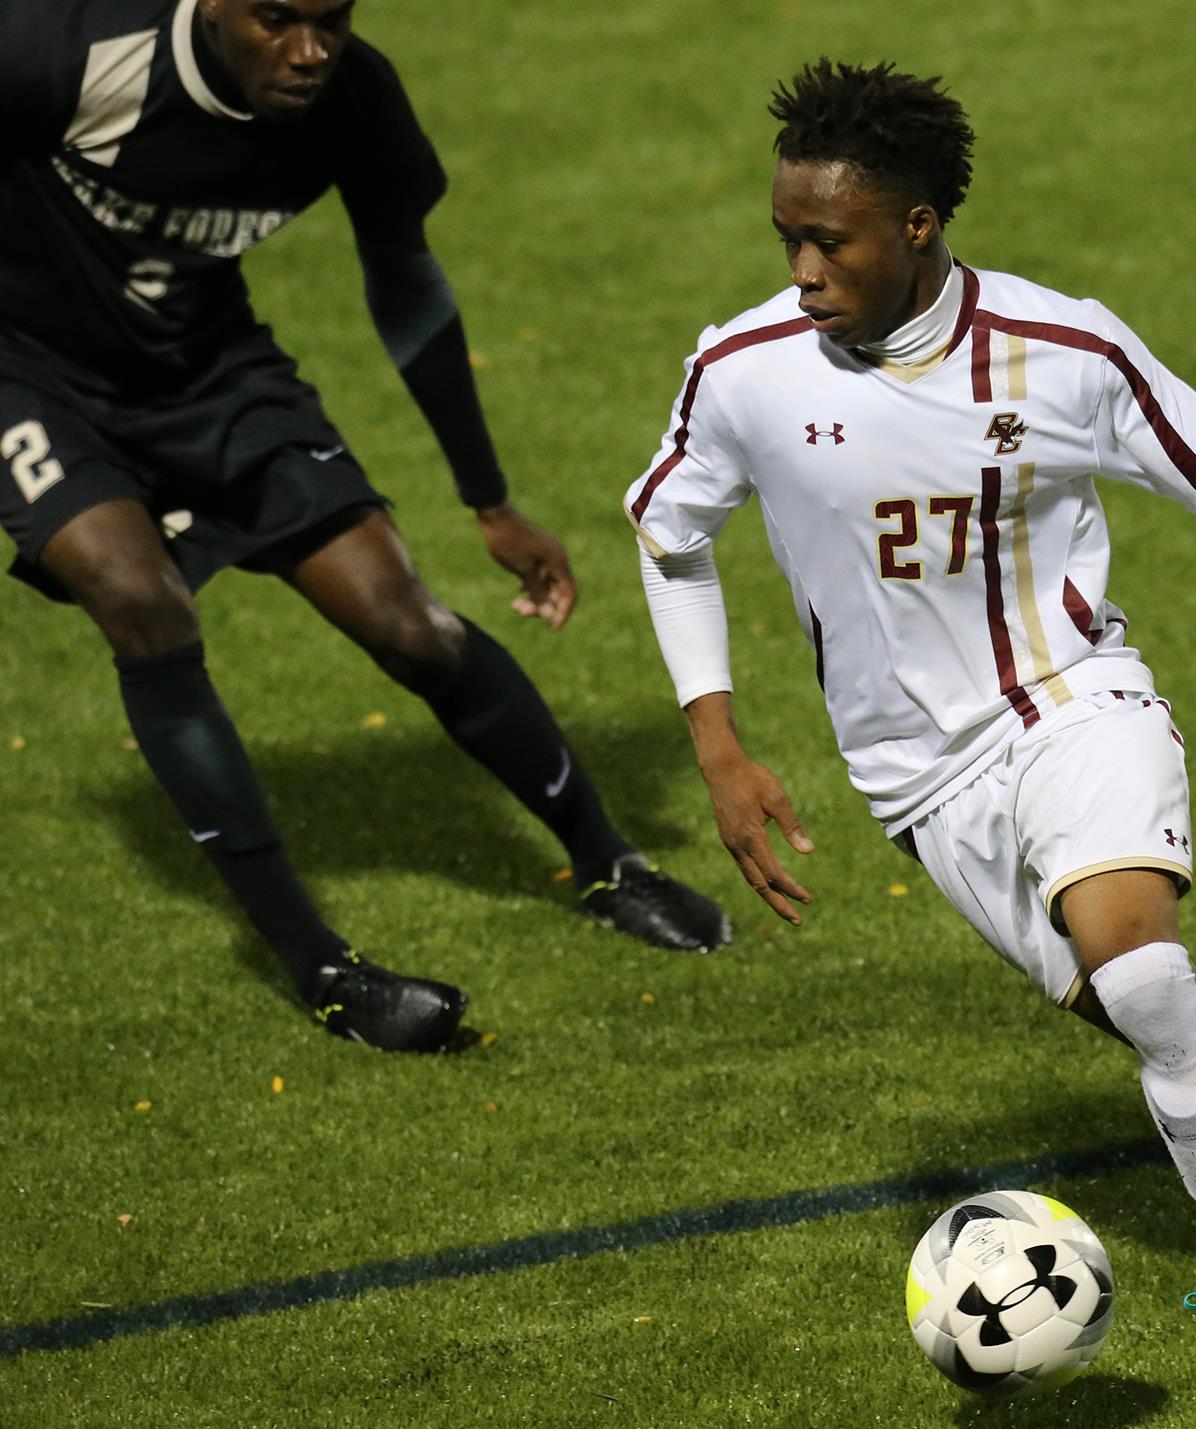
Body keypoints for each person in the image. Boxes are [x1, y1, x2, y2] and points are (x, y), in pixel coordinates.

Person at [627, 59, 1196, 1410]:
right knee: (1174, 1032)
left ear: (921, 226)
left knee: (1142, 977)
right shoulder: (744, 370)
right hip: (919, 780)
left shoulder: (1069, 352)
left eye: (830, 241)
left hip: (1076, 703)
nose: (803, 269)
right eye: (788, 239)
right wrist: (717, 740)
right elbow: (670, 539)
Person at [0, 0, 731, 1054]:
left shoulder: (354, 98)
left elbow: (405, 280)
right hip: (30, 371)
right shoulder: (59, 51)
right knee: (138, 597)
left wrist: (486, 497)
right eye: (277, 20)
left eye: (332, 20)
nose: (309, 52)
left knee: (411, 623)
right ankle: (324, 970)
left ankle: (607, 860)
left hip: (209, 372)